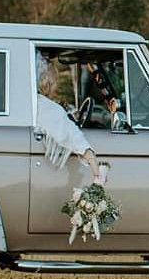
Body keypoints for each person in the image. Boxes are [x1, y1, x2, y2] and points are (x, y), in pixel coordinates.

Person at [36, 54, 106, 184]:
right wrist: (90, 157)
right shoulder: (45, 106)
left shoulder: (37, 103)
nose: (57, 84)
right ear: (47, 80)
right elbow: (66, 132)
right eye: (55, 79)